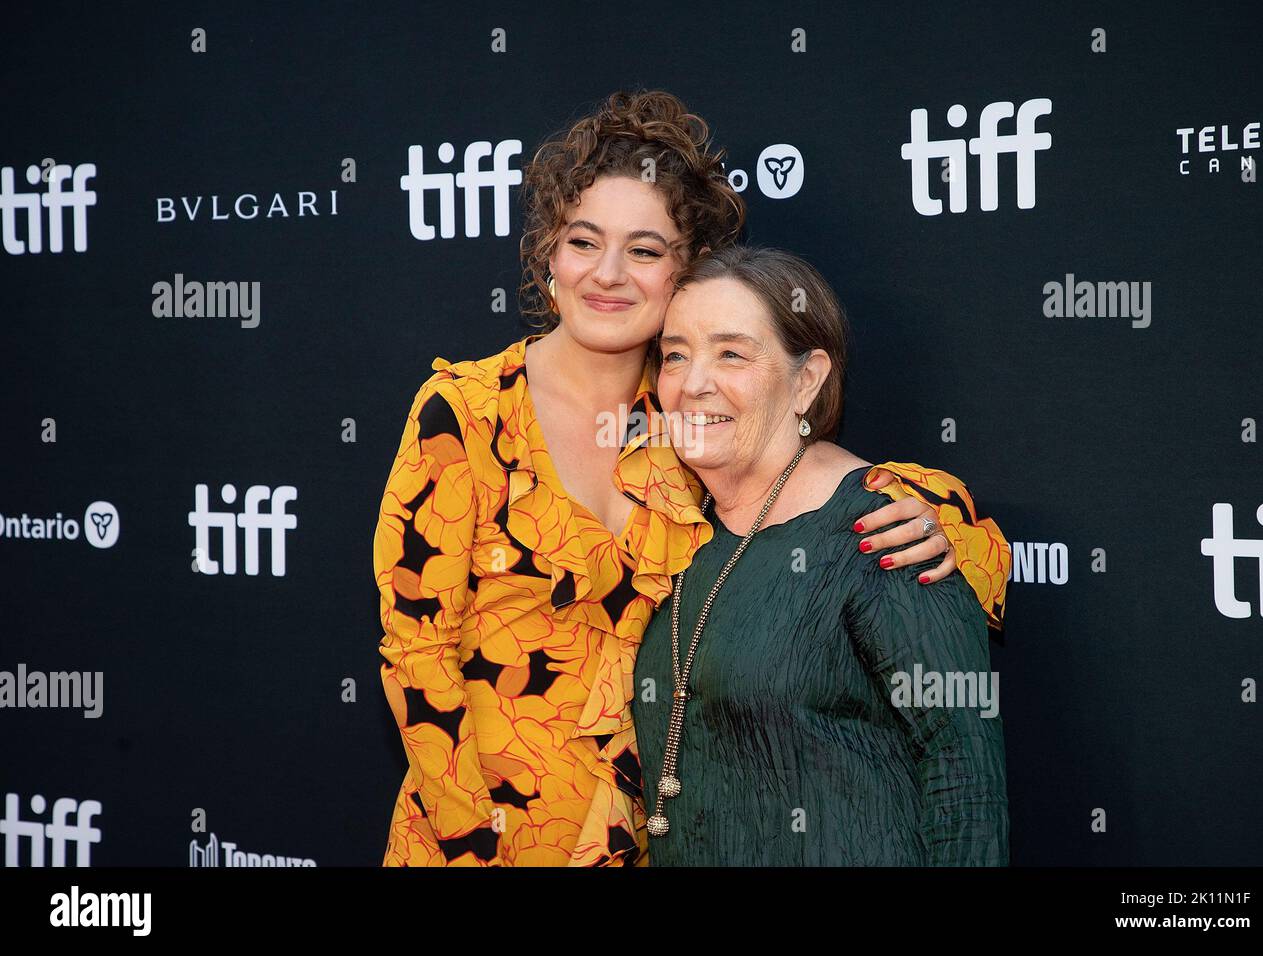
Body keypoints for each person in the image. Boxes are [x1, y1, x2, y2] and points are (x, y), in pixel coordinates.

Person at [373, 90, 1009, 866]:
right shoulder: (465, 413)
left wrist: (945, 523)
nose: (607, 273)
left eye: (644, 250)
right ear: (548, 254)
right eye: (583, 240)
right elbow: (418, 656)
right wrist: (472, 848)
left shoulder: (685, 415)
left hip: (640, 839)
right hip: (473, 840)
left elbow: (808, 488)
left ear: (684, 273)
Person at [631, 244, 1009, 865]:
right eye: (675, 355)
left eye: (731, 353)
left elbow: (966, 784)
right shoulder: (670, 532)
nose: (693, 383)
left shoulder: (885, 530)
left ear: (807, 379)